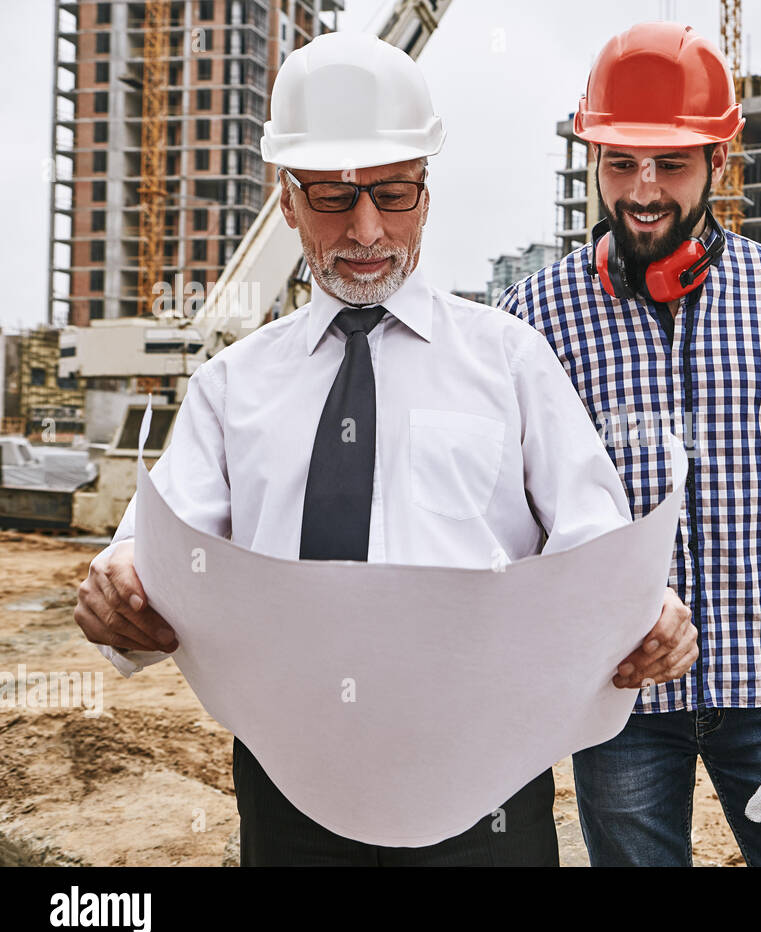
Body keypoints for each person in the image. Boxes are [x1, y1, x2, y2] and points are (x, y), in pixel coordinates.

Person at [73, 31, 698, 867]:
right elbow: (155, 559)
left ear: (427, 195)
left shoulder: (509, 361)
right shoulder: (233, 385)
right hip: (289, 783)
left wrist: (642, 612)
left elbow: (594, 540)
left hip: (486, 782)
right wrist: (119, 597)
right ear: (287, 201)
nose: (367, 229)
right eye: (333, 198)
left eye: (393, 194)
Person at [497, 21, 761, 866]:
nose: (642, 189)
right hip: (622, 704)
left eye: (669, 163)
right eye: (618, 162)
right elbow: (506, 516)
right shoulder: (534, 318)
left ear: (722, 157)